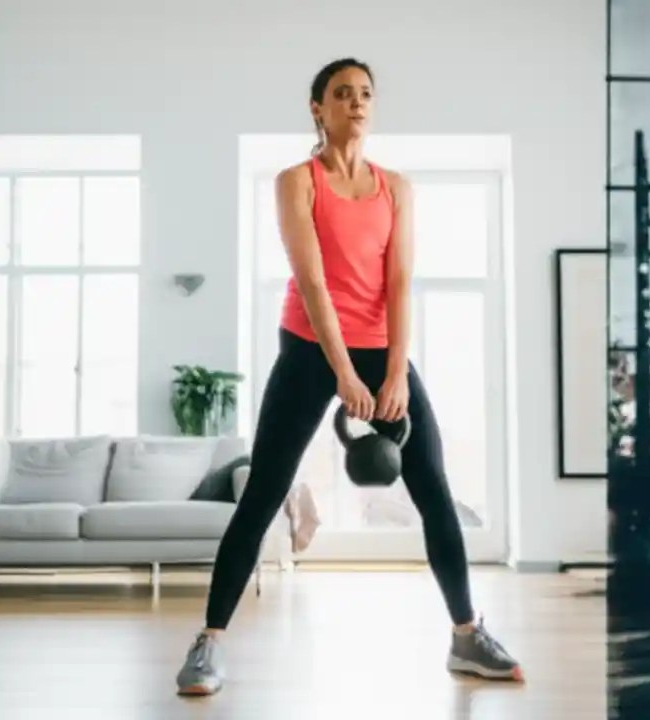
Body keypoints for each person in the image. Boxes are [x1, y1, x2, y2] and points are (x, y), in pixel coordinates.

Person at [175, 58, 523, 696]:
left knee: (434, 490)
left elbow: (398, 281)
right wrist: (342, 373)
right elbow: (312, 281)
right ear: (318, 108)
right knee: (264, 492)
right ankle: (209, 643)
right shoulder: (296, 181)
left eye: (365, 93)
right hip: (310, 346)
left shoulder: (396, 187)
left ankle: (467, 635)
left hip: (380, 346)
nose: (356, 103)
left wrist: (393, 372)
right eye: (342, 93)